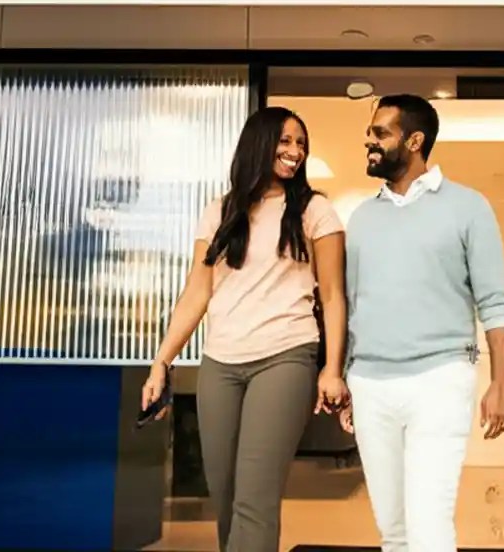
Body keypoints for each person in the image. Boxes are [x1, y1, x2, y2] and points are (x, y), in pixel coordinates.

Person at [140, 106, 349, 552]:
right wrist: (162, 361)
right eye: (286, 141)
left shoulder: (316, 211)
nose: (296, 152)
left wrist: (332, 369)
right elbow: (197, 293)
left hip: (285, 357)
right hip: (221, 362)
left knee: (254, 498)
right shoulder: (221, 211)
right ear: (258, 143)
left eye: (301, 144)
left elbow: (332, 296)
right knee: (227, 495)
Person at [339, 94, 504, 552]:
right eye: (370, 134)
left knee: (429, 526)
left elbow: (496, 302)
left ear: (414, 141)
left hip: (440, 380)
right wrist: (343, 377)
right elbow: (352, 306)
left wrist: (501, 384)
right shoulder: (361, 218)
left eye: (381, 133)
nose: (369, 142)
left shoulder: (468, 207)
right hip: (370, 384)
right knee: (393, 531)